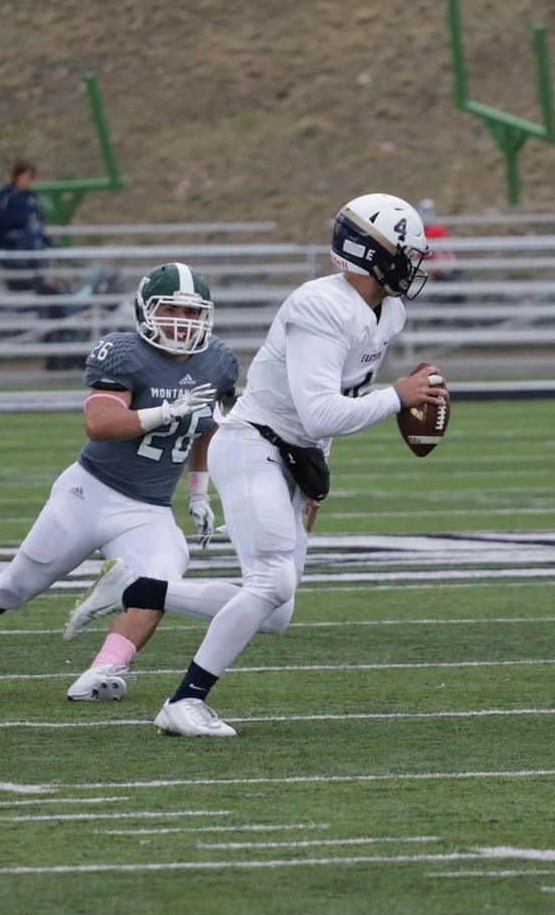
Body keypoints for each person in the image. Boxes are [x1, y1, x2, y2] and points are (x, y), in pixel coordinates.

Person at [64, 194, 449, 737]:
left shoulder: (389, 310)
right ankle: (185, 701)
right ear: (373, 253)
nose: (414, 265)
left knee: (275, 609)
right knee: (270, 581)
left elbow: (336, 400)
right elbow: (319, 411)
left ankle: (141, 589)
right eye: (405, 253)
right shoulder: (321, 306)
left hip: (291, 456)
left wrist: (315, 477)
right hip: (252, 443)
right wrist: (398, 395)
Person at [0, 262, 239, 701]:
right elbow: (99, 423)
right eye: (171, 310)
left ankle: (103, 671)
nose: (183, 322)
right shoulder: (125, 353)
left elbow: (208, 428)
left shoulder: (219, 362)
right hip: (90, 492)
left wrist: (198, 490)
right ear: (144, 312)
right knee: (14, 587)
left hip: (149, 508)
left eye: (193, 313)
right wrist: (165, 411)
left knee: (160, 580)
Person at [0, 160, 47, 253]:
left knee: (36, 234)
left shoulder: (32, 196)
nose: (30, 181)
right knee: (34, 237)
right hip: (9, 233)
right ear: (18, 176)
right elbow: (1, 218)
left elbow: (39, 216)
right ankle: (23, 259)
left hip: (31, 232)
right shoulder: (5, 195)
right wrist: (24, 220)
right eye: (28, 177)